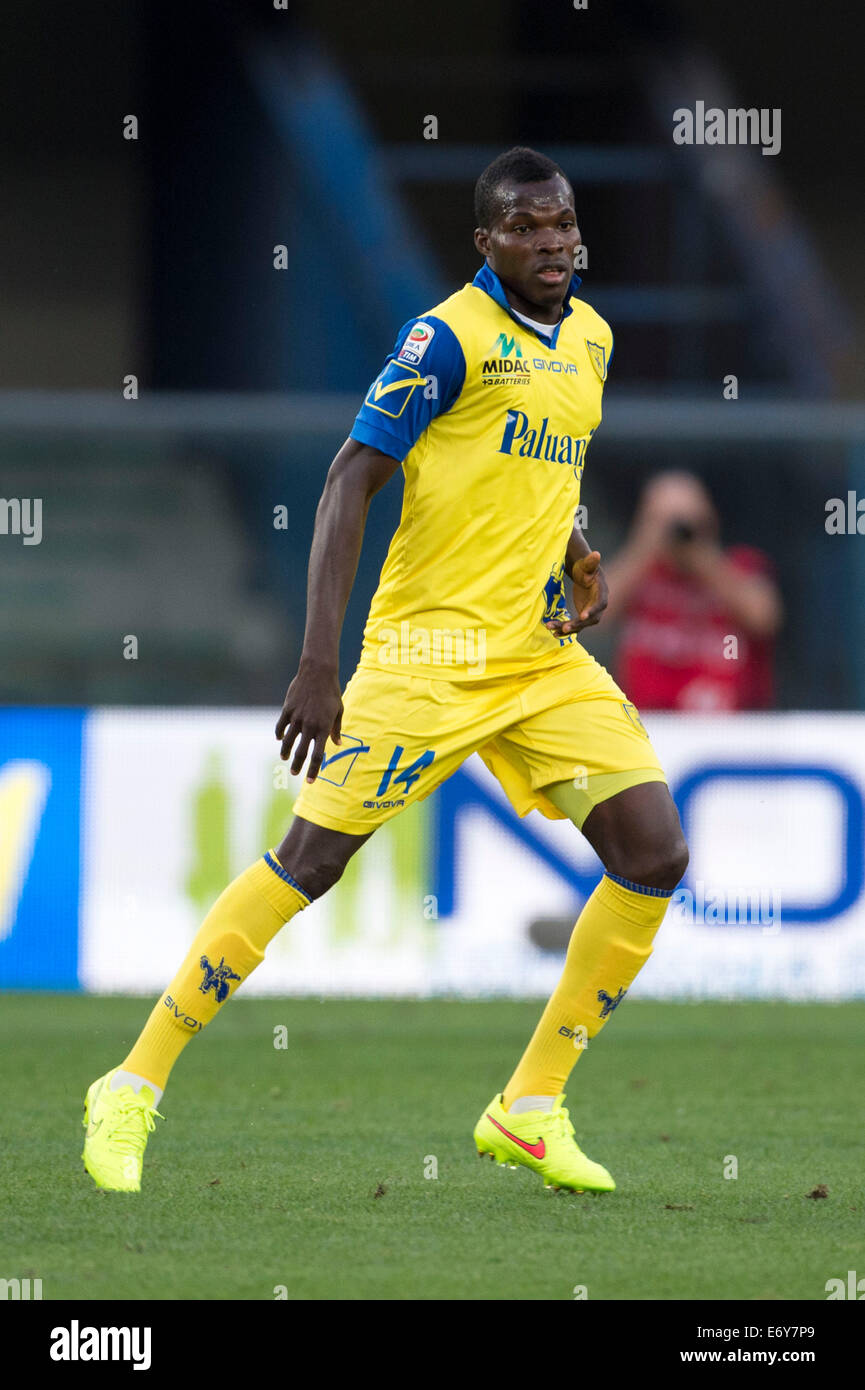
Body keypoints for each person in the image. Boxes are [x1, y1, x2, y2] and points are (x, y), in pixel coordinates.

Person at [82, 146, 688, 1197]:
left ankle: (529, 1104)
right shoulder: (443, 338)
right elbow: (347, 481)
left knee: (653, 853)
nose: (550, 242)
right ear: (485, 242)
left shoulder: (590, 338)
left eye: (561, 223)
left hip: (538, 657)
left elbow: (527, 468)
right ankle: (130, 1083)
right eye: (525, 228)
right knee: (309, 863)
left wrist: (575, 548)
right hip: (425, 657)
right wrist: (319, 661)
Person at [603, 472, 782, 711]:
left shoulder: (738, 568)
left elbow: (764, 618)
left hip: (725, 723)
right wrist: (644, 548)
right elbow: (592, 614)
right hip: (647, 720)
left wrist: (703, 557)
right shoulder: (639, 576)